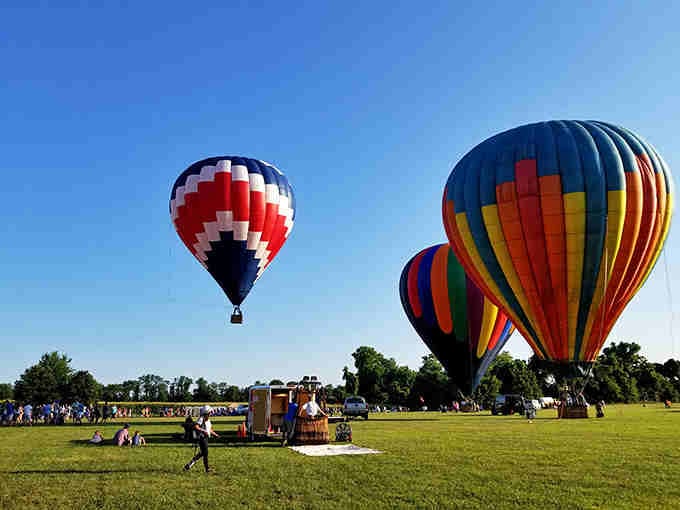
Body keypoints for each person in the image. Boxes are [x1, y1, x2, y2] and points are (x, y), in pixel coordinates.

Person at [184, 406, 219, 473]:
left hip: (205, 438)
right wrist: (203, 431)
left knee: (202, 453)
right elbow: (196, 427)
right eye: (210, 412)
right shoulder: (201, 419)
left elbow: (209, 429)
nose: (211, 413)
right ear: (206, 412)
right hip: (202, 438)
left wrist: (215, 434)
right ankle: (207, 469)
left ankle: (189, 465)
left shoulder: (208, 420)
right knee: (205, 453)